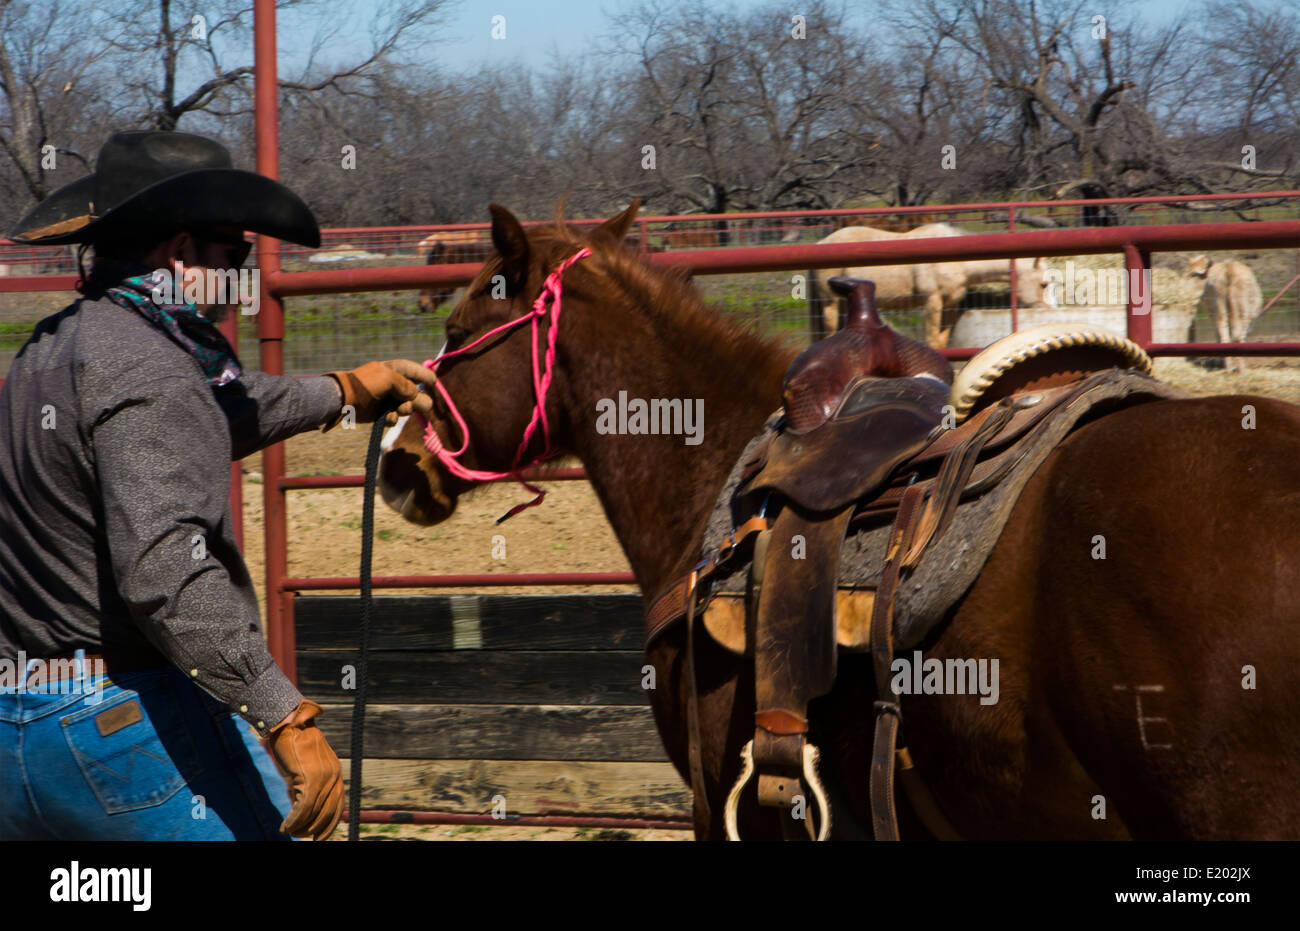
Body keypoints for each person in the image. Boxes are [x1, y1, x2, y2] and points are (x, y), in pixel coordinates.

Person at [0, 130, 434, 841]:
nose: (245, 275)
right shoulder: (154, 367)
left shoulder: (50, 349)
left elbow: (211, 412)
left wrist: (346, 390)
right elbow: (167, 568)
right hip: (117, 725)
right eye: (234, 256)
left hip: (17, 726)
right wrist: (283, 713)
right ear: (180, 254)